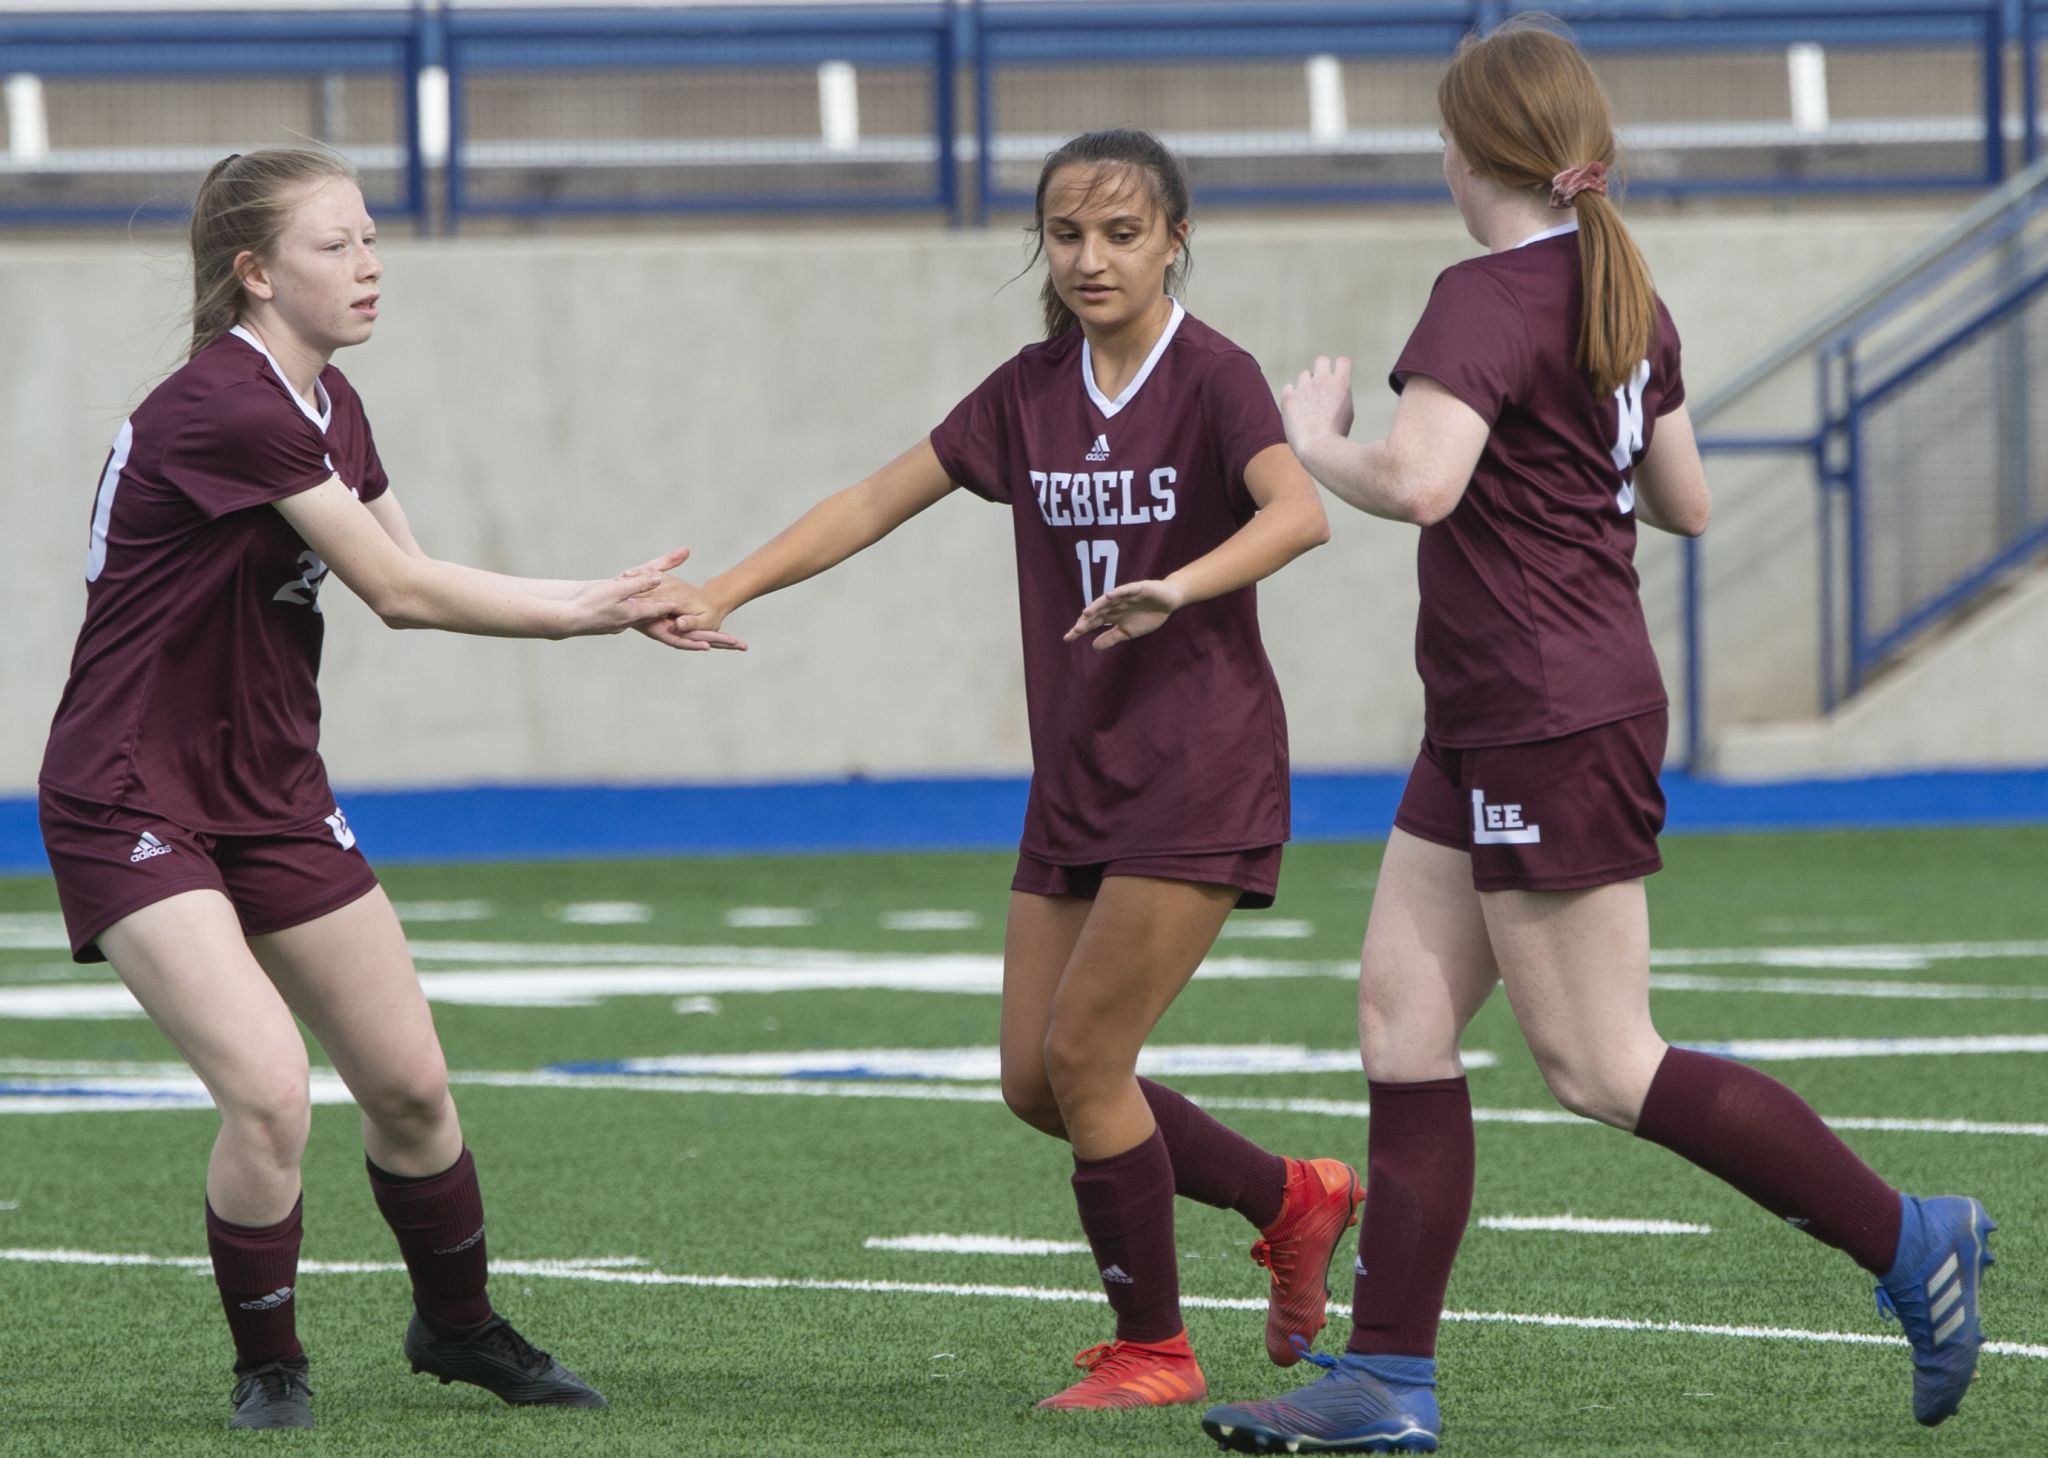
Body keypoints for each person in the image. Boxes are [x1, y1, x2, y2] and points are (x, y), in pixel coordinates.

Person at [1201, 21, 1994, 1454]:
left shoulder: (1481, 294)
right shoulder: (1618, 286)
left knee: (1601, 1063)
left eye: (1440, 137)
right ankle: (1387, 1379)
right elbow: (1682, 500)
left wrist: (1315, 435)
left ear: (1470, 149)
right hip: (1509, 706)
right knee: (1402, 1012)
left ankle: (1910, 1236)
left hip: (1546, 712)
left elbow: (1423, 481)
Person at [647, 128, 1362, 1410]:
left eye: (1122, 233)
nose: (1091, 258)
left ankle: (1154, 1351)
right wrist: (724, 586)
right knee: (1036, 1083)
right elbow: (873, 499)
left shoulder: (1213, 377)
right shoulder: (1027, 390)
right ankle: (1290, 1198)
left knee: (1087, 1060)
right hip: (1076, 778)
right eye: (1067, 233)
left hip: (1197, 768)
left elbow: (1297, 512)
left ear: (1176, 240)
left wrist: (1174, 590)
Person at [37, 147, 735, 1431]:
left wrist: (606, 601)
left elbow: (418, 574)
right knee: (269, 1089)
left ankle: (457, 1327)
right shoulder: (228, 405)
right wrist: (591, 610)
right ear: (253, 274)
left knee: (411, 1088)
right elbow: (402, 595)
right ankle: (271, 1367)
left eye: (371, 238)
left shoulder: (326, 402)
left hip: (269, 785)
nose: (369, 265)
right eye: (336, 244)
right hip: (130, 793)